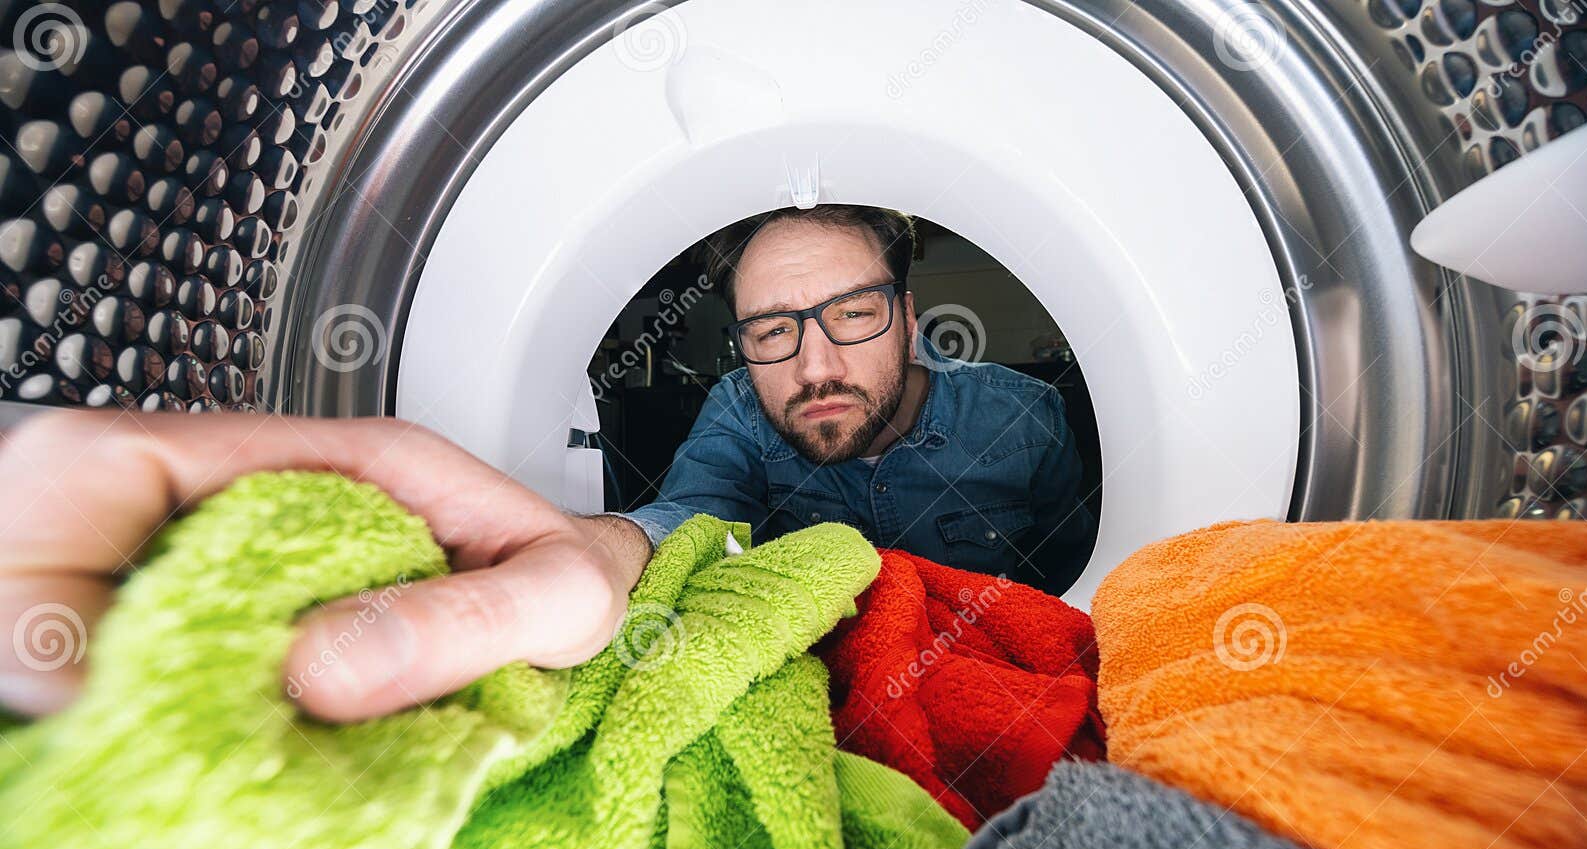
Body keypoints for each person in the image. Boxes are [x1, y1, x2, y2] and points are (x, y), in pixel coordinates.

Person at [0, 205, 1094, 724]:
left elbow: (1077, 587)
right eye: (771, 331)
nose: (814, 365)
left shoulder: (1024, 420)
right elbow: (685, 513)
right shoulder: (739, 409)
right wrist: (583, 554)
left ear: (909, 313)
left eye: (850, 315)